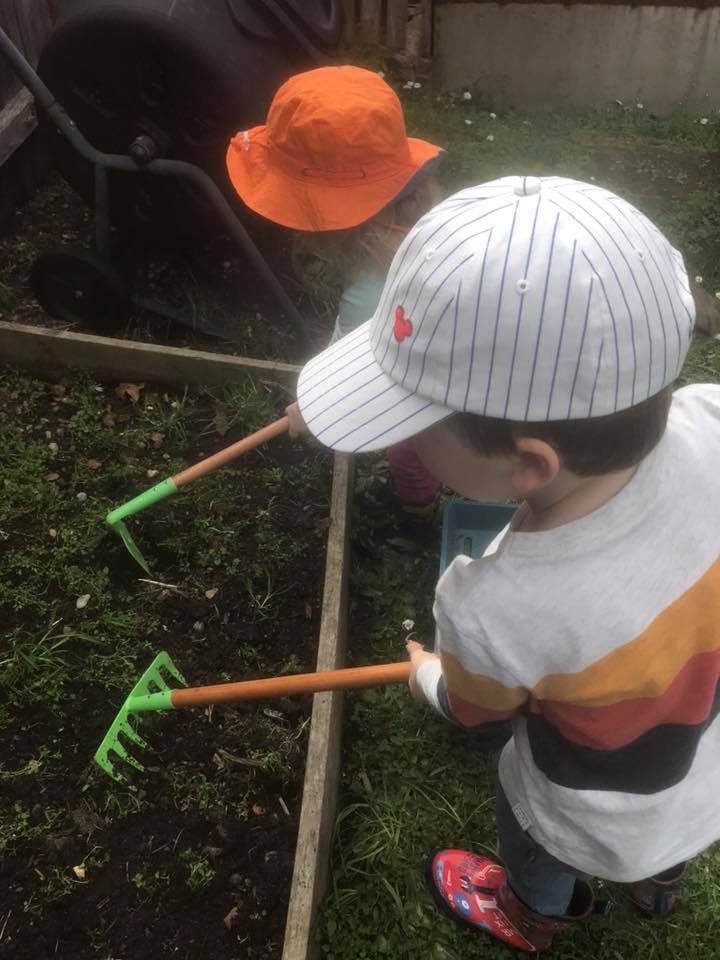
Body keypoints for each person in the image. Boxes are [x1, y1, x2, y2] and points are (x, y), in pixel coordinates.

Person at [291, 174, 720, 952]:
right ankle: (660, 890)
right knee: (670, 839)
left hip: (584, 811)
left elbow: (470, 707)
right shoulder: (713, 418)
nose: (411, 447)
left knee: (536, 847)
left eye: (420, 431)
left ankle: (530, 915)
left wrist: (426, 669)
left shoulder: (495, 603)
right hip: (702, 779)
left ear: (530, 464)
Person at [225, 64, 444, 513]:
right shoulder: (417, 217)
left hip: (435, 375)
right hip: (437, 348)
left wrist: (314, 407)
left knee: (414, 443)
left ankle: (416, 512)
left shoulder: (374, 289)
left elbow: (353, 365)